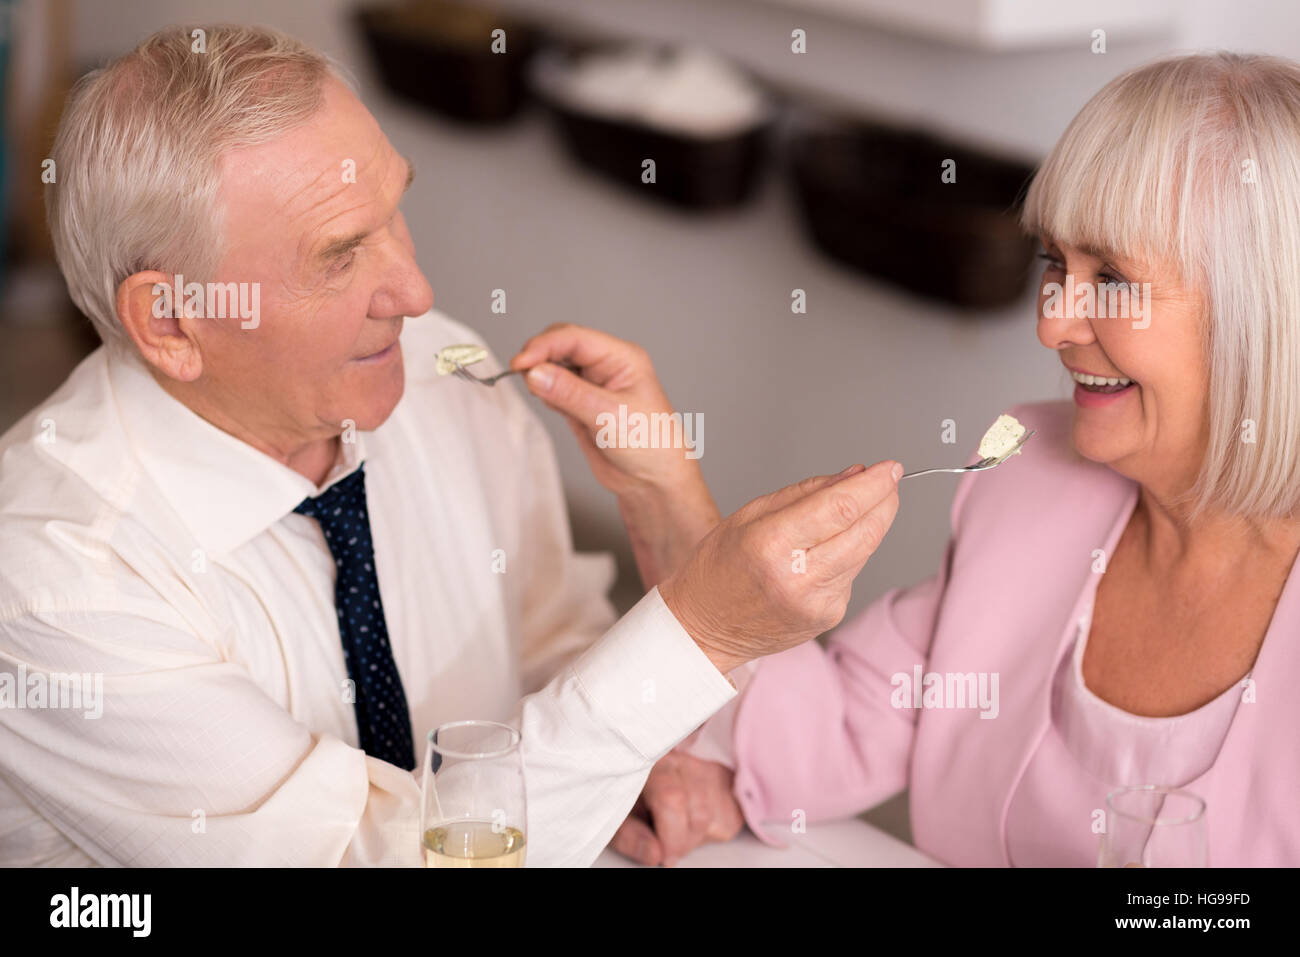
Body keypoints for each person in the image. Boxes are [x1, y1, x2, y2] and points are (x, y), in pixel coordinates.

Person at [0, 25, 902, 866]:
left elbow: (545, 635)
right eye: (341, 253)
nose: (418, 292)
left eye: (396, 210)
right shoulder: (53, 576)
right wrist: (697, 631)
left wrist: (636, 752)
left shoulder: (439, 375)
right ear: (170, 321)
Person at [612, 51, 1300, 867]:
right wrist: (668, 490)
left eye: (1110, 277)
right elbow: (836, 728)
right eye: (1056, 264)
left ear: (1262, 312)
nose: (1052, 324)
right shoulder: (1032, 482)